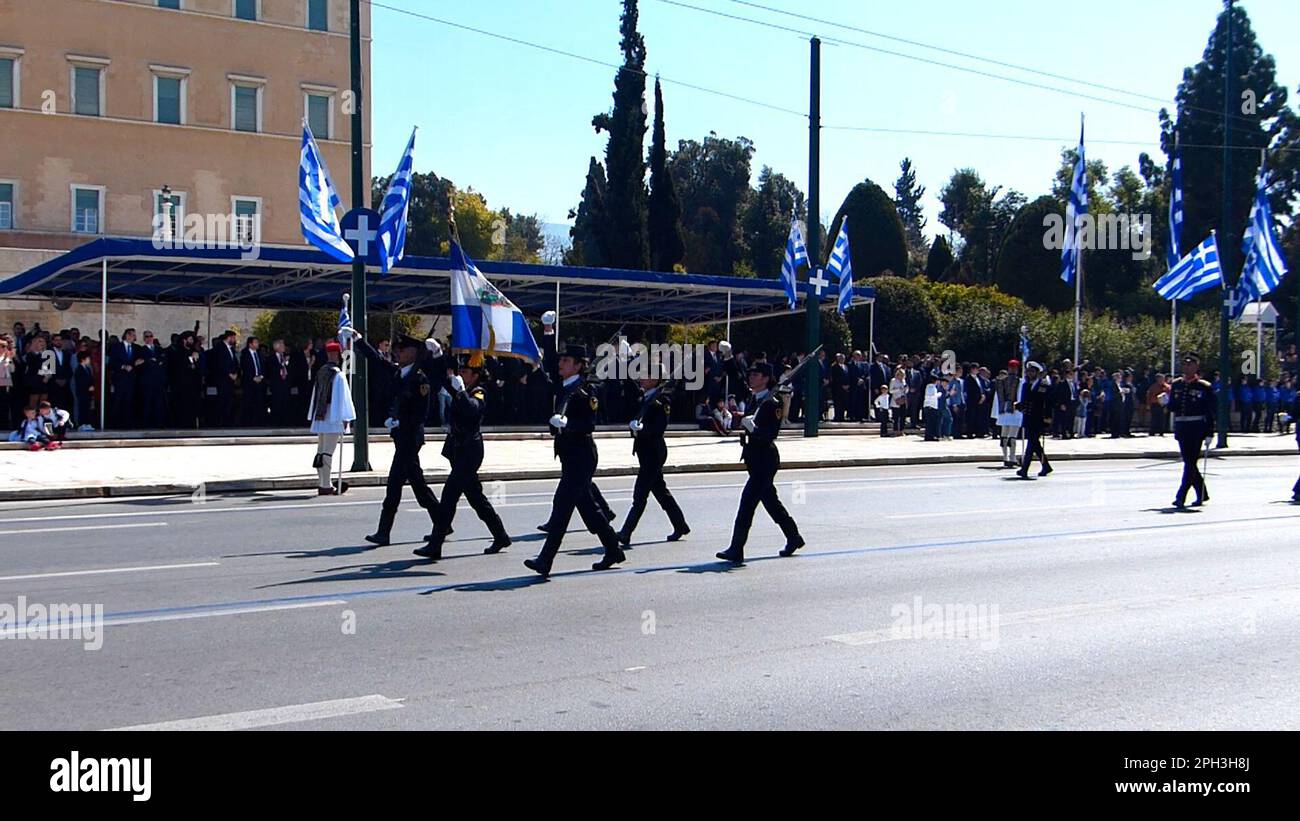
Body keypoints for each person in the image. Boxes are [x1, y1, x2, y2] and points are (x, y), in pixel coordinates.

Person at [524, 344, 625, 577]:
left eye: (567, 360)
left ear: (579, 365)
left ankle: (545, 560)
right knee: (588, 508)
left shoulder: (587, 391)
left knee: (562, 507)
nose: (561, 364)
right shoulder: (563, 387)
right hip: (569, 455)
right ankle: (613, 548)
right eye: (562, 360)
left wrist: (567, 425)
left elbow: (589, 424)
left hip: (582, 455)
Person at [347, 330, 442, 546]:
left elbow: (421, 414)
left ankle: (384, 532)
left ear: (415, 352)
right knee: (418, 484)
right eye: (397, 349)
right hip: (400, 436)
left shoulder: (420, 379)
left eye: (402, 349)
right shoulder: (400, 373)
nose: (398, 353)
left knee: (394, 484)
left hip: (410, 437)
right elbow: (377, 360)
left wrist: (401, 422)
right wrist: (359, 340)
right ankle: (442, 521)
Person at [417, 354, 511, 560]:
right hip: (458, 450)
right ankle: (501, 535)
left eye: (466, 372)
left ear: (476, 375)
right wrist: (437, 357)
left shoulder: (478, 392)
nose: (462, 374)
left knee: (449, 497)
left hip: (470, 450)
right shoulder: (462, 390)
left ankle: (435, 544)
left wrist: (459, 391)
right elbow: (441, 378)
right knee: (476, 498)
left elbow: (472, 410)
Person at [716, 361, 804, 564]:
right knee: (771, 502)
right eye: (751, 374)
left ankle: (736, 549)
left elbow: (771, 433)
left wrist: (754, 429)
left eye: (756, 375)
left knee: (747, 503)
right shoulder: (755, 398)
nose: (751, 377)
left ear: (765, 378)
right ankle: (793, 537)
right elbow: (737, 378)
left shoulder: (773, 403)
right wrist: (729, 359)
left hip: (765, 458)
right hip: (754, 457)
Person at [617, 369, 690, 547]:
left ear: (656, 379)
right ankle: (680, 525)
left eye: (646, 376)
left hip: (654, 452)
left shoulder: (661, 399)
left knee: (640, 494)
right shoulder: (645, 397)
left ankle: (626, 532)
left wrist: (643, 429)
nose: (642, 378)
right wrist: (634, 428)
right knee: (661, 492)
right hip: (644, 450)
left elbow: (660, 427)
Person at [1164, 352, 1215, 508]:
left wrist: (1209, 432)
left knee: (1190, 463)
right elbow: (1174, 407)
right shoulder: (1177, 384)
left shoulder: (1204, 387)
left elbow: (1210, 411)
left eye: (1190, 364)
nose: (1186, 367)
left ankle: (1181, 496)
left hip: (1197, 428)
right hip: (1182, 428)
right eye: (1185, 364)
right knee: (1189, 462)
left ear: (1196, 367)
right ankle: (1202, 492)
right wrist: (1165, 402)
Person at [307, 340, 355, 496]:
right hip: (333, 417)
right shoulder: (338, 375)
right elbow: (343, 398)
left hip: (320, 416)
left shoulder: (321, 371)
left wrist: (313, 415)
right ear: (338, 355)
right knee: (328, 451)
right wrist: (346, 417)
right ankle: (326, 485)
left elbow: (315, 396)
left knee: (321, 451)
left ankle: (322, 482)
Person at [1015, 361, 1053, 479]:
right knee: (1035, 444)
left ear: (1037, 373)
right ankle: (1045, 466)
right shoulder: (1026, 384)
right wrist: (1019, 406)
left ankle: (1025, 469)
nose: (1030, 373)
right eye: (1029, 371)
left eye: (1032, 371)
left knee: (1032, 444)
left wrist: (1048, 417)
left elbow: (1047, 403)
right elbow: (1025, 400)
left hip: (1038, 418)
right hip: (1028, 417)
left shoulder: (1043, 385)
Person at [991, 360, 1024, 468]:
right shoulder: (1020, 381)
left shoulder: (1000, 381)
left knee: (1004, 435)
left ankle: (1005, 457)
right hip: (1014, 410)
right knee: (1012, 436)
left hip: (1003, 410)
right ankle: (1012, 458)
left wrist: (997, 412)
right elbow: (1020, 396)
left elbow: (997, 398)